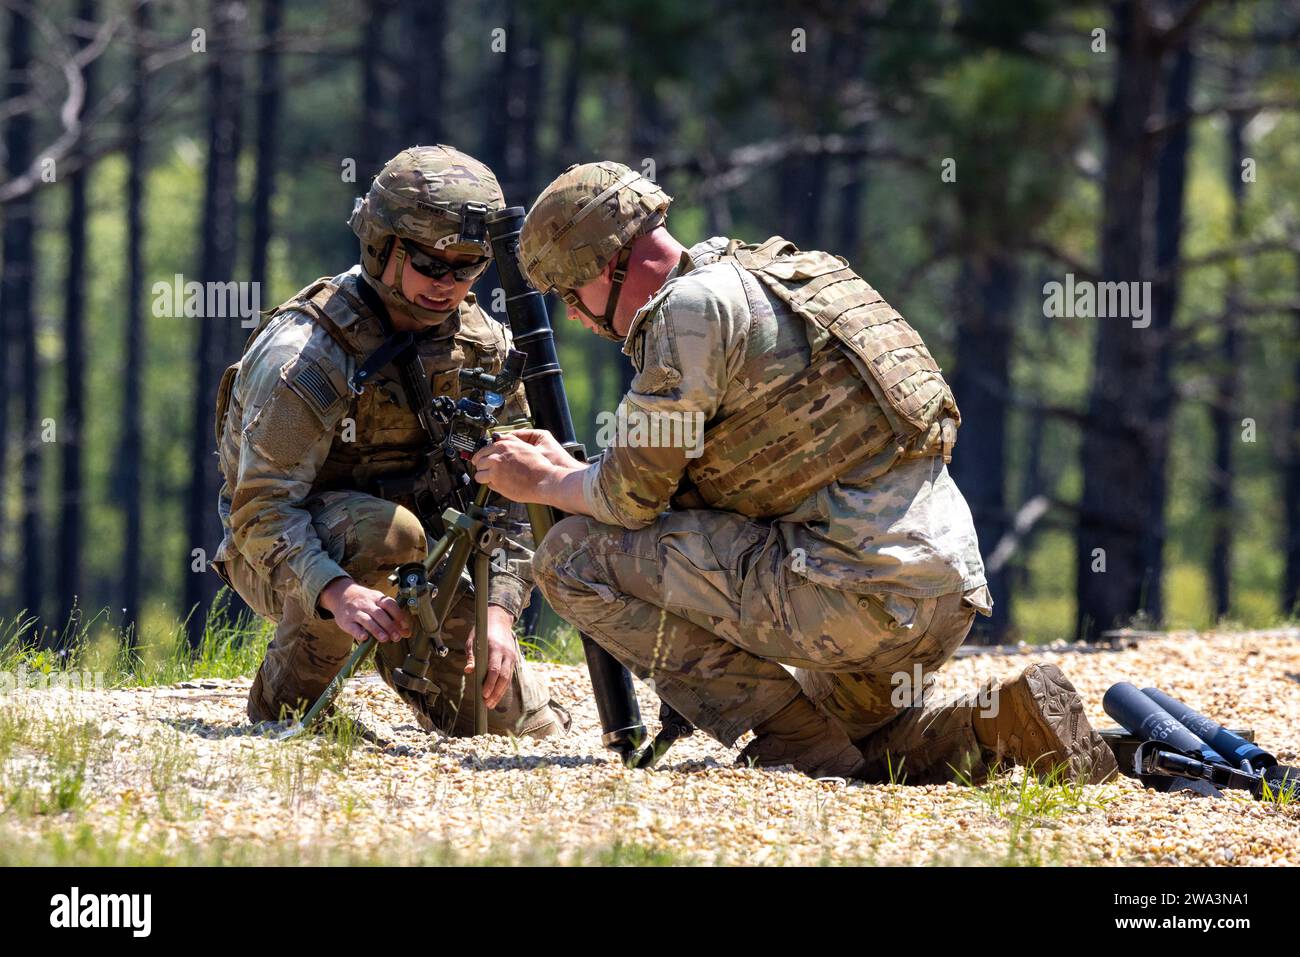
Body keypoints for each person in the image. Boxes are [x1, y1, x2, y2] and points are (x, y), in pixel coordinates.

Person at [470, 161, 1116, 783]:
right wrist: (568, 471)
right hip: (939, 592)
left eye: (572, 294)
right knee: (863, 749)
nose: (577, 318)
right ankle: (1004, 729)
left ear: (611, 264)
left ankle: (792, 748)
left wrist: (542, 483)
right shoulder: (774, 274)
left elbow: (630, 498)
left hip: (849, 598)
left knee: (571, 557)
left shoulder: (688, 310)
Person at [212, 145, 567, 738]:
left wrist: (500, 611)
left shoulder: (484, 345)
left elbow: (516, 492)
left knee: (517, 728)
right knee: (385, 534)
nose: (447, 284)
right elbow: (261, 509)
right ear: (382, 246)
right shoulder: (308, 355)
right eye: (431, 263)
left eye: (468, 267)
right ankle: (287, 703)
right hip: (288, 556)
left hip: (430, 562)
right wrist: (336, 591)